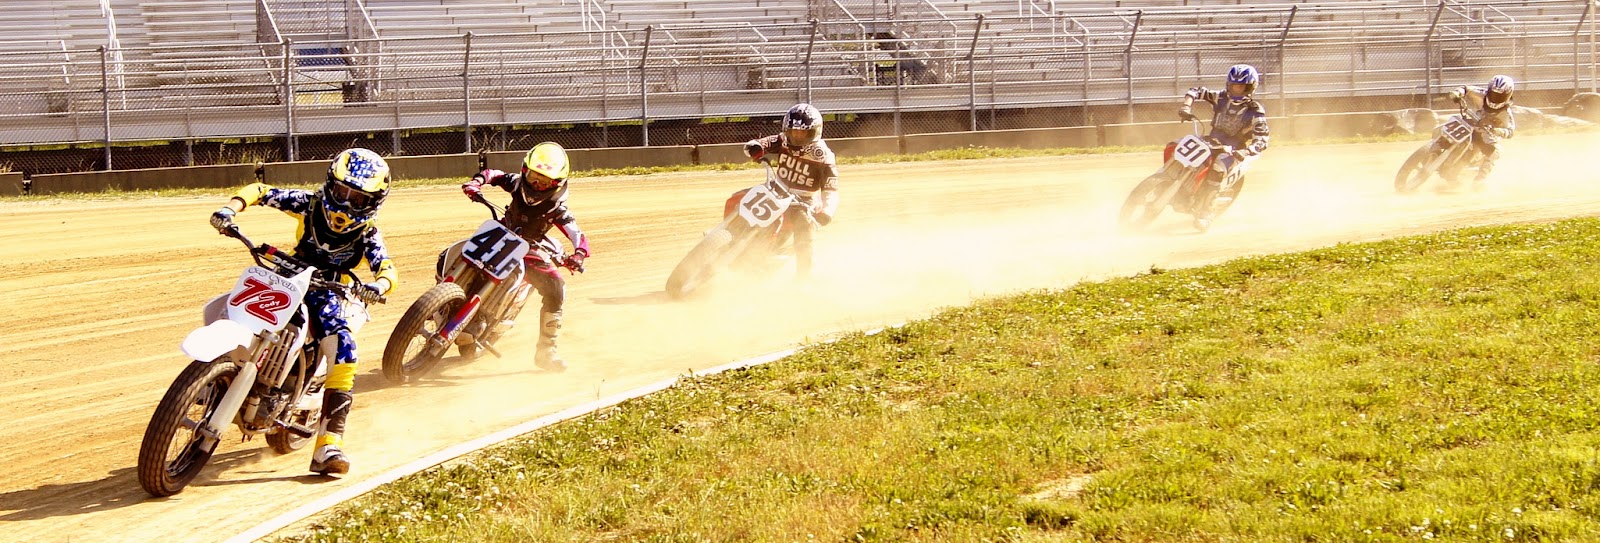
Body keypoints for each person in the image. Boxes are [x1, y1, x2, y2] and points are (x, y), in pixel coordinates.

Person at [207, 147, 397, 475]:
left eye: (358, 198)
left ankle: (328, 445)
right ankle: (210, 379)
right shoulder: (308, 204)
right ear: (330, 184)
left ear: (374, 202)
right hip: (285, 274)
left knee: (346, 351)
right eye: (342, 191)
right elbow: (261, 191)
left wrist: (377, 287)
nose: (347, 203)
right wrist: (229, 210)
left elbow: (389, 270)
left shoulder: (368, 235)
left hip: (328, 291)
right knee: (224, 307)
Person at [460, 142, 590, 372]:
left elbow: (577, 235)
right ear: (524, 170)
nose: (536, 184)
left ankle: (547, 350)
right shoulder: (517, 183)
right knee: (452, 254)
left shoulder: (557, 208)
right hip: (499, 234)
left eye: (545, 181)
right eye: (533, 177)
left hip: (529, 248)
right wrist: (477, 181)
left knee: (557, 288)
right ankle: (441, 301)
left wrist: (578, 255)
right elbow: (495, 174)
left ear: (557, 184)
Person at [742, 103, 840, 278]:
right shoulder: (782, 140)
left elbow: (831, 189)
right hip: (774, 191)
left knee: (804, 225)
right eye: (793, 131)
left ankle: (803, 276)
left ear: (815, 132)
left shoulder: (824, 155)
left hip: (803, 202)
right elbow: (761, 143)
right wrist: (755, 147)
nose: (797, 136)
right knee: (742, 197)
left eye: (803, 133)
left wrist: (827, 211)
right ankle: (725, 234)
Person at [1178, 64, 1271, 231]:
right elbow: (1196, 90)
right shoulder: (1220, 97)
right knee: (1181, 147)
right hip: (1211, 140)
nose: (1236, 90)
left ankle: (1205, 213)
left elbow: (1263, 138)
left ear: (1250, 88)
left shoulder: (1255, 111)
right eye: (1234, 86)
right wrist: (1186, 106)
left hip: (1233, 150)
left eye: (1241, 86)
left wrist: (1246, 151)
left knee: (1217, 169)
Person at [1445, 74, 1515, 190]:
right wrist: (1458, 93)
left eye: (1500, 96)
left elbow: (1510, 132)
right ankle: (1435, 148)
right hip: (1470, 123)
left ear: (1508, 95)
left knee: (1496, 152)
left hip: (1486, 135)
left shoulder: (1506, 112)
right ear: (1489, 90)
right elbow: (1466, 88)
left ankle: (1480, 180)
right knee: (1450, 122)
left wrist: (1496, 130)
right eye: (1493, 94)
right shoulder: (1482, 94)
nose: (1495, 97)